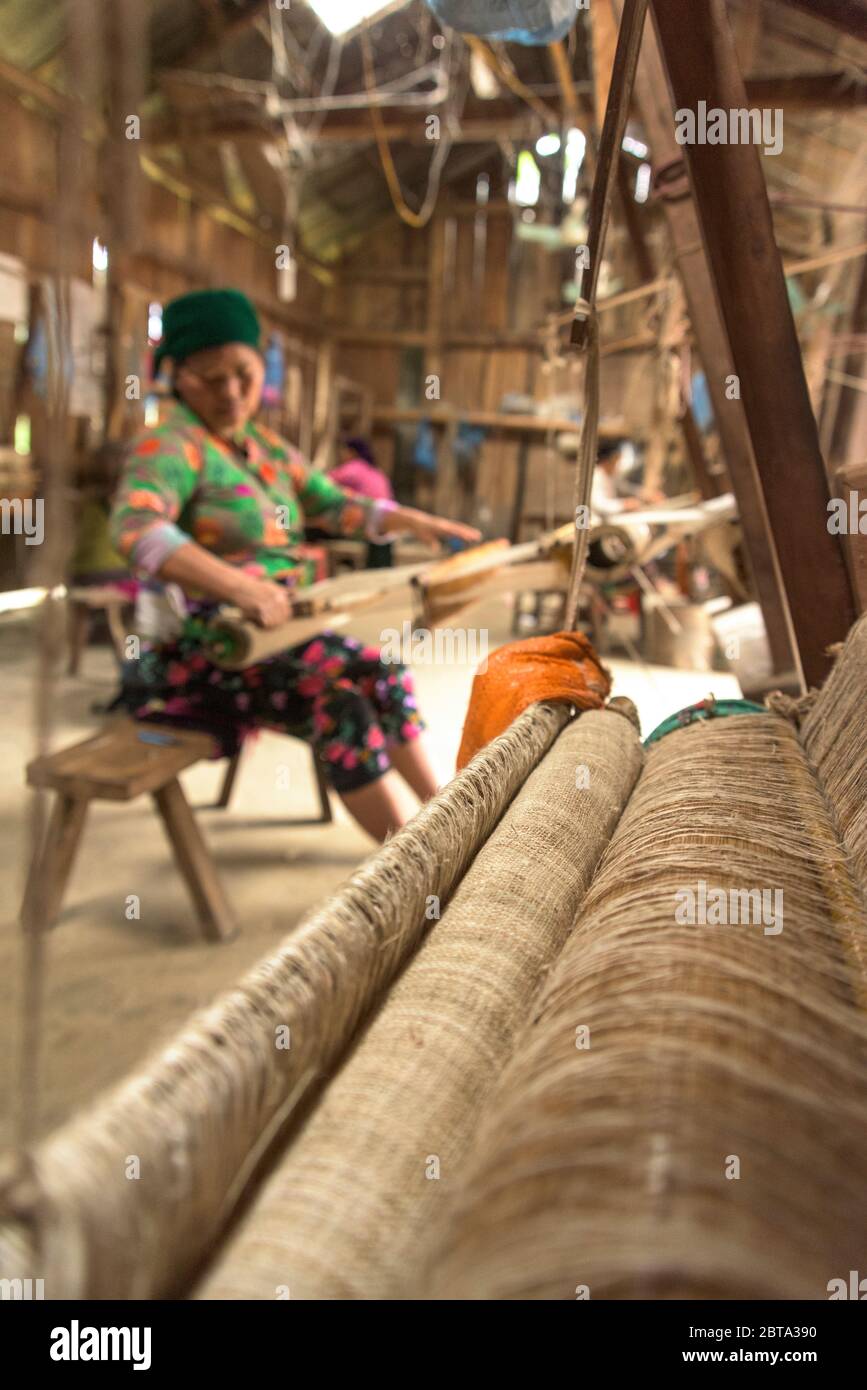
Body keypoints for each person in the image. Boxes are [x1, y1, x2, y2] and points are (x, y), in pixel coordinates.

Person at [110, 288, 480, 842]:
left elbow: (335, 505)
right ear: (178, 376)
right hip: (210, 647)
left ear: (263, 368)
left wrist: (415, 523)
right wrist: (240, 588)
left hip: (283, 630)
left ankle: (453, 824)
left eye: (244, 374)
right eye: (211, 379)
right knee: (339, 700)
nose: (232, 392)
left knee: (381, 672)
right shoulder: (171, 446)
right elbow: (135, 528)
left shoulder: (264, 448)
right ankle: (417, 862)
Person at [330, 436, 395, 568]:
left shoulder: (354, 468)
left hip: (366, 524)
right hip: (386, 524)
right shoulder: (377, 472)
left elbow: (324, 483)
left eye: (344, 451)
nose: (341, 455)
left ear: (352, 452)